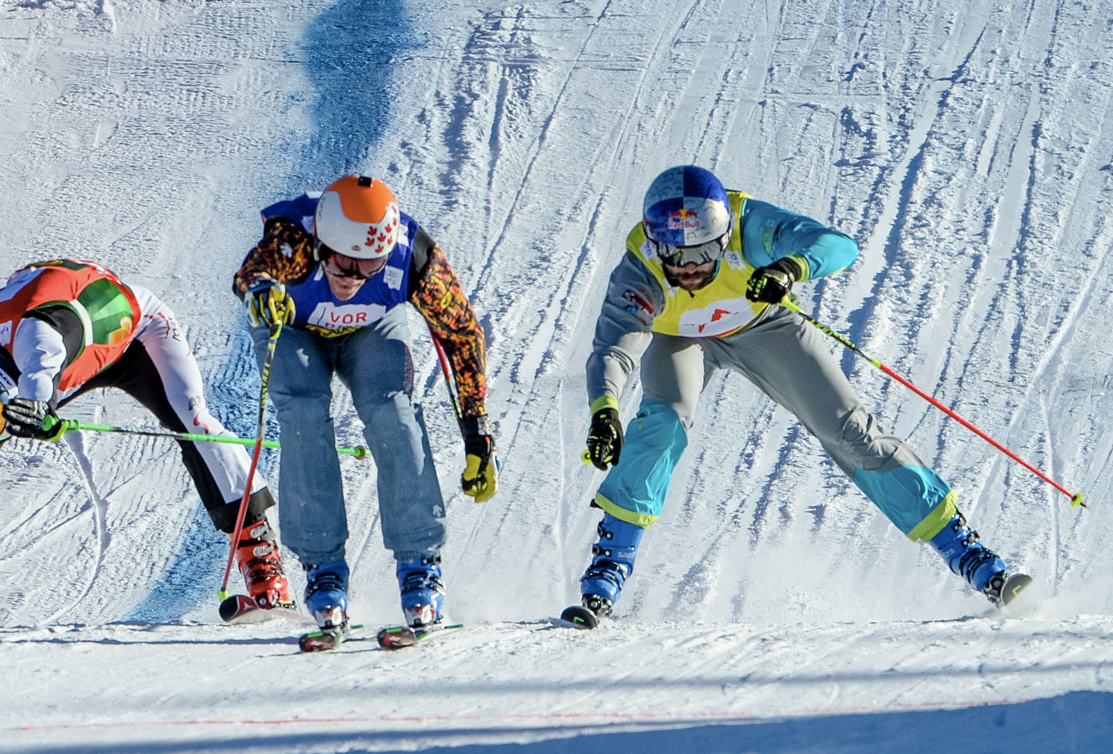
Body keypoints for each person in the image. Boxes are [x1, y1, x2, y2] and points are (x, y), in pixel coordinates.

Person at [572, 164, 1023, 623]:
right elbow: (614, 345)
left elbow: (838, 245)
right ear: (655, 244)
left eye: (705, 253)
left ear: (724, 237)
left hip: (762, 325)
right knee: (662, 422)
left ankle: (970, 556)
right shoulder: (640, 266)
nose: (689, 268)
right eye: (675, 255)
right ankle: (607, 571)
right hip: (680, 341)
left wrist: (791, 267)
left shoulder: (750, 226)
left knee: (849, 430)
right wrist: (605, 407)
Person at [0, 258, 292, 632]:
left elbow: (40, 375)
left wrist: (40, 408)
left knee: (192, 420)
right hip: (47, 344)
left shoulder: (39, 343)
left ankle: (259, 553)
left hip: (135, 336)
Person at [233, 174, 496, 632]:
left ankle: (420, 561)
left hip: (372, 329)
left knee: (391, 408)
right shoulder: (293, 240)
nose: (355, 277)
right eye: (344, 265)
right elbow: (250, 274)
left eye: (370, 265)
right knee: (304, 410)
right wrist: (260, 294)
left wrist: (477, 432)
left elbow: (461, 332)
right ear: (320, 245)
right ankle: (323, 568)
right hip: (295, 327)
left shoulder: (411, 257)